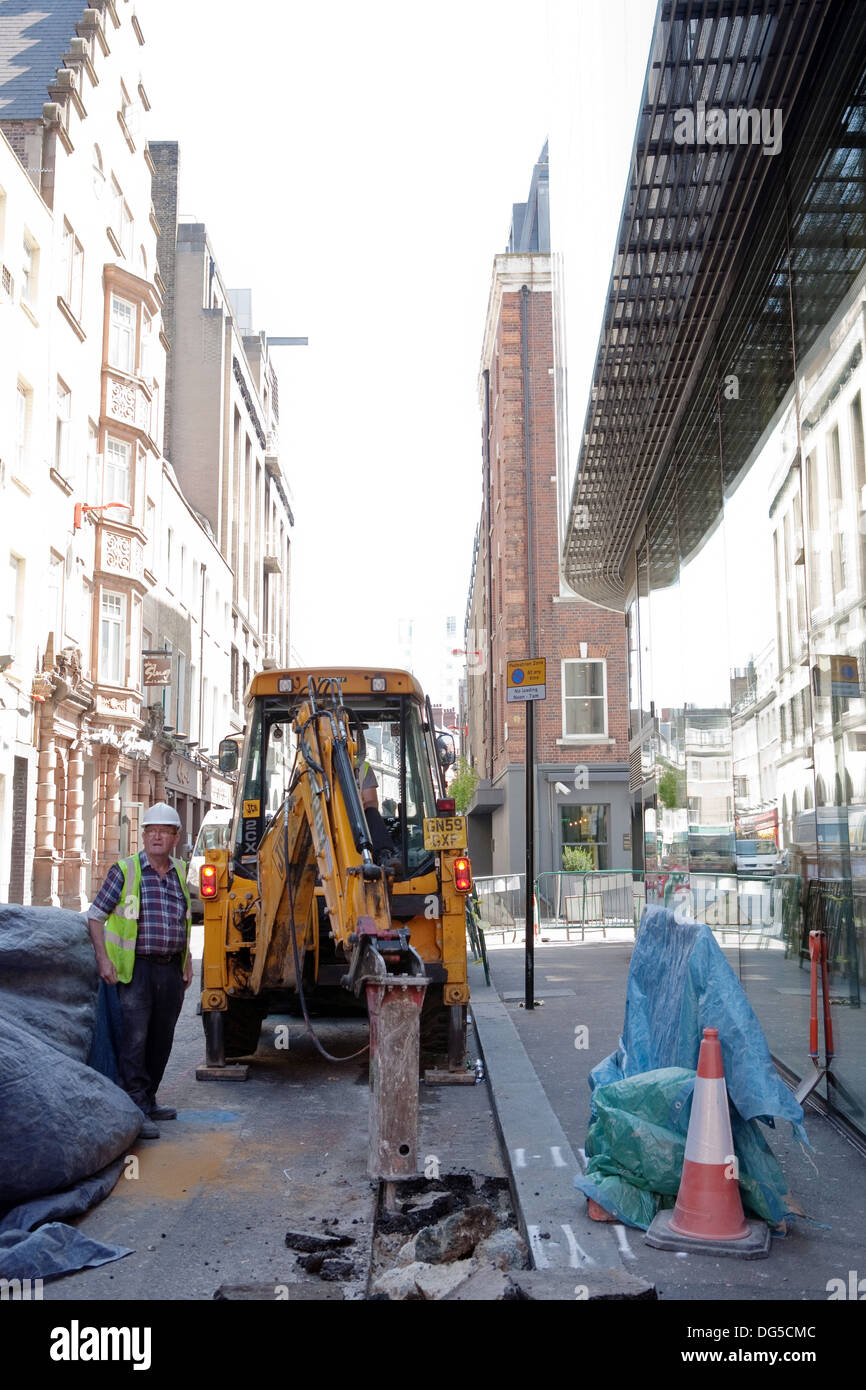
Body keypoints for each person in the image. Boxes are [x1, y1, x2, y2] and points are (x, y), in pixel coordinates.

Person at [87, 802, 193, 1140]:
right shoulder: (125, 870)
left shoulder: (179, 870)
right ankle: (135, 1109)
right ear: (143, 836)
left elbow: (184, 921)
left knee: (161, 1041)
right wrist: (104, 960)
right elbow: (95, 916)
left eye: (164, 831)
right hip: (136, 970)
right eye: (151, 831)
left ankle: (148, 1099)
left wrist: (186, 961)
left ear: (175, 838)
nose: (156, 836)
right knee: (135, 1040)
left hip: (170, 971)